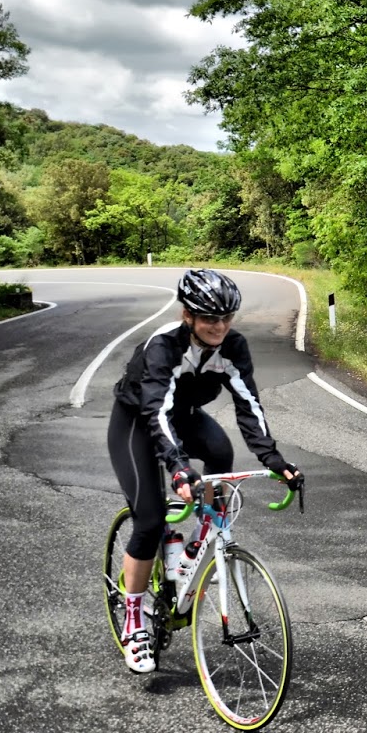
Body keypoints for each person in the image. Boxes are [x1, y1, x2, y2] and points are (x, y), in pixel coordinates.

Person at [106, 268, 303, 674]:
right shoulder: (164, 346)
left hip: (185, 416)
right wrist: (178, 470)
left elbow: (249, 404)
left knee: (220, 453)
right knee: (149, 520)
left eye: (226, 317)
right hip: (138, 422)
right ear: (188, 315)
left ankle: (199, 541)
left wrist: (274, 460)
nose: (219, 326)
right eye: (210, 318)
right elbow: (156, 412)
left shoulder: (233, 346)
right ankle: (134, 619)